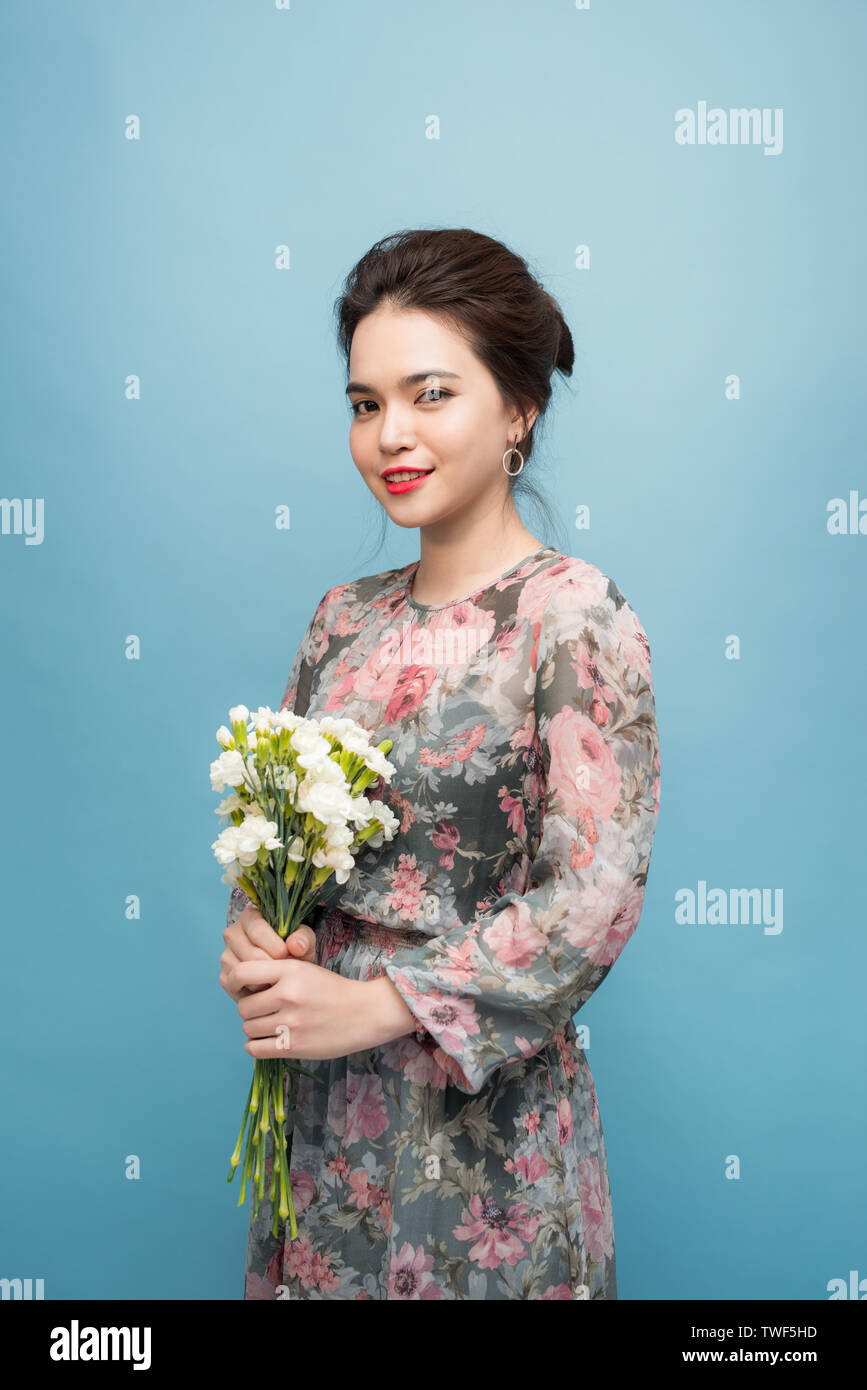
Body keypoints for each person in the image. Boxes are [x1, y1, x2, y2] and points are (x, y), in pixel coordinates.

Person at [219, 227, 661, 1300]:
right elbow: (281, 838)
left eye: (429, 395)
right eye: (366, 403)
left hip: (487, 1139)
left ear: (519, 410)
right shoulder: (340, 621)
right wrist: (258, 933)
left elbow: (592, 899)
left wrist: (379, 1006)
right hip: (325, 1127)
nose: (390, 435)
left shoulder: (572, 614)